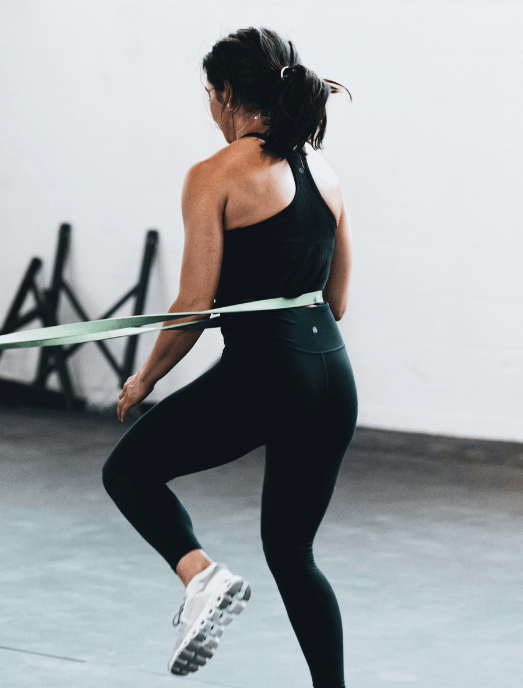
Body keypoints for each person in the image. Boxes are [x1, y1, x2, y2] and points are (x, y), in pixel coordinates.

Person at [102, 26, 357, 687]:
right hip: (332, 372)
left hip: (269, 371)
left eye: (208, 96)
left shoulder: (213, 176)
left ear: (222, 95)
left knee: (128, 473)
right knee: (293, 553)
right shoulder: (323, 171)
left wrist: (144, 376)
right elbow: (337, 296)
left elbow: (192, 306)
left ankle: (202, 576)